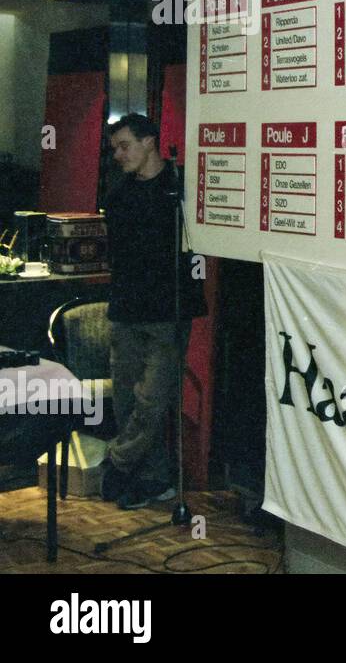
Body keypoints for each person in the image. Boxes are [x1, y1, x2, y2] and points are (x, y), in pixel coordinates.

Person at [100, 113, 205, 509]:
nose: (118, 155)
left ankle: (118, 462)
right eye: (114, 148)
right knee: (126, 399)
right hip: (126, 308)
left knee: (152, 399)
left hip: (166, 311)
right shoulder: (118, 193)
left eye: (125, 145)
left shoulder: (179, 189)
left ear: (149, 142)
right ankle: (153, 479)